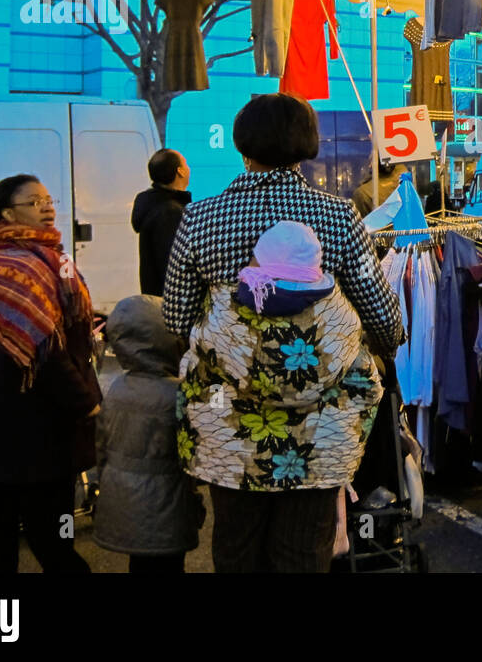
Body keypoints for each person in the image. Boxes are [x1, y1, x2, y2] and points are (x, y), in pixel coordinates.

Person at [163, 93, 403, 572]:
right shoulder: (338, 217)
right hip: (320, 427)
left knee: (236, 548)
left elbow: (176, 319)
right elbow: (384, 318)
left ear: (242, 145)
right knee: (301, 553)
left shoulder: (200, 218)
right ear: (306, 145)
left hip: (229, 424)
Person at [0, 174, 101, 573]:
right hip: (21, 401)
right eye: (34, 201)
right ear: (8, 212)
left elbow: (62, 327)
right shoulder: (4, 259)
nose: (47, 206)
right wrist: (84, 400)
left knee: (54, 517)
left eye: (48, 199)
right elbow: (42, 342)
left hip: (53, 406)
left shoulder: (52, 256)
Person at [94, 295, 203, 573]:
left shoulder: (115, 389)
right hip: (168, 509)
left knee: (139, 566)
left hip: (126, 507)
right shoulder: (178, 394)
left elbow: (102, 447)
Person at [132, 148, 192, 296]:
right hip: (172, 304)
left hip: (157, 298)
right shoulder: (170, 212)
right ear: (180, 171)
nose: (189, 168)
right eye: (186, 164)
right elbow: (174, 265)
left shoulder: (155, 206)